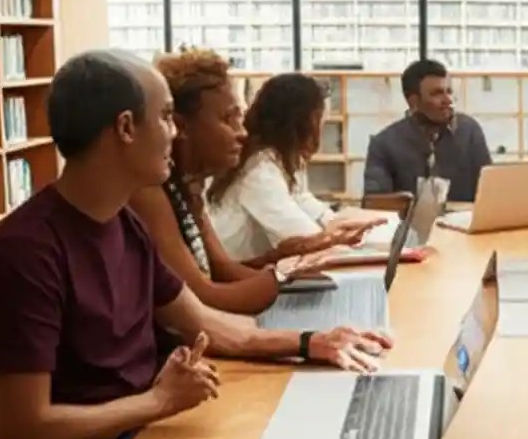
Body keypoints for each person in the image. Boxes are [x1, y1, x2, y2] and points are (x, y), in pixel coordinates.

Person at [0, 49, 392, 439]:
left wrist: (311, 341)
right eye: (166, 117)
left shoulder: (122, 224)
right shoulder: (25, 257)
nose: (175, 132)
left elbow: (203, 321)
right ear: (125, 127)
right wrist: (154, 402)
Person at [128, 50, 377, 316]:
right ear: (181, 127)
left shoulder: (191, 189)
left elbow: (222, 269)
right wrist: (281, 276)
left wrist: (278, 263)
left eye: (240, 118)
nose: (242, 133)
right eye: (228, 119)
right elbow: (203, 296)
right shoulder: (151, 192)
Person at [207, 70, 383, 264]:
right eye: (320, 122)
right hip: (243, 280)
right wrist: (336, 235)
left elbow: (302, 201)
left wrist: (339, 221)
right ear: (305, 123)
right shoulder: (258, 170)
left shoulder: (282, 159)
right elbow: (303, 237)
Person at [363, 59, 492, 202]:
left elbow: (491, 189)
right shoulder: (384, 144)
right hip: (407, 223)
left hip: (465, 222)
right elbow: (375, 203)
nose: (448, 100)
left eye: (449, 91)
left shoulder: (469, 131)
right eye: (437, 93)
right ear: (414, 101)